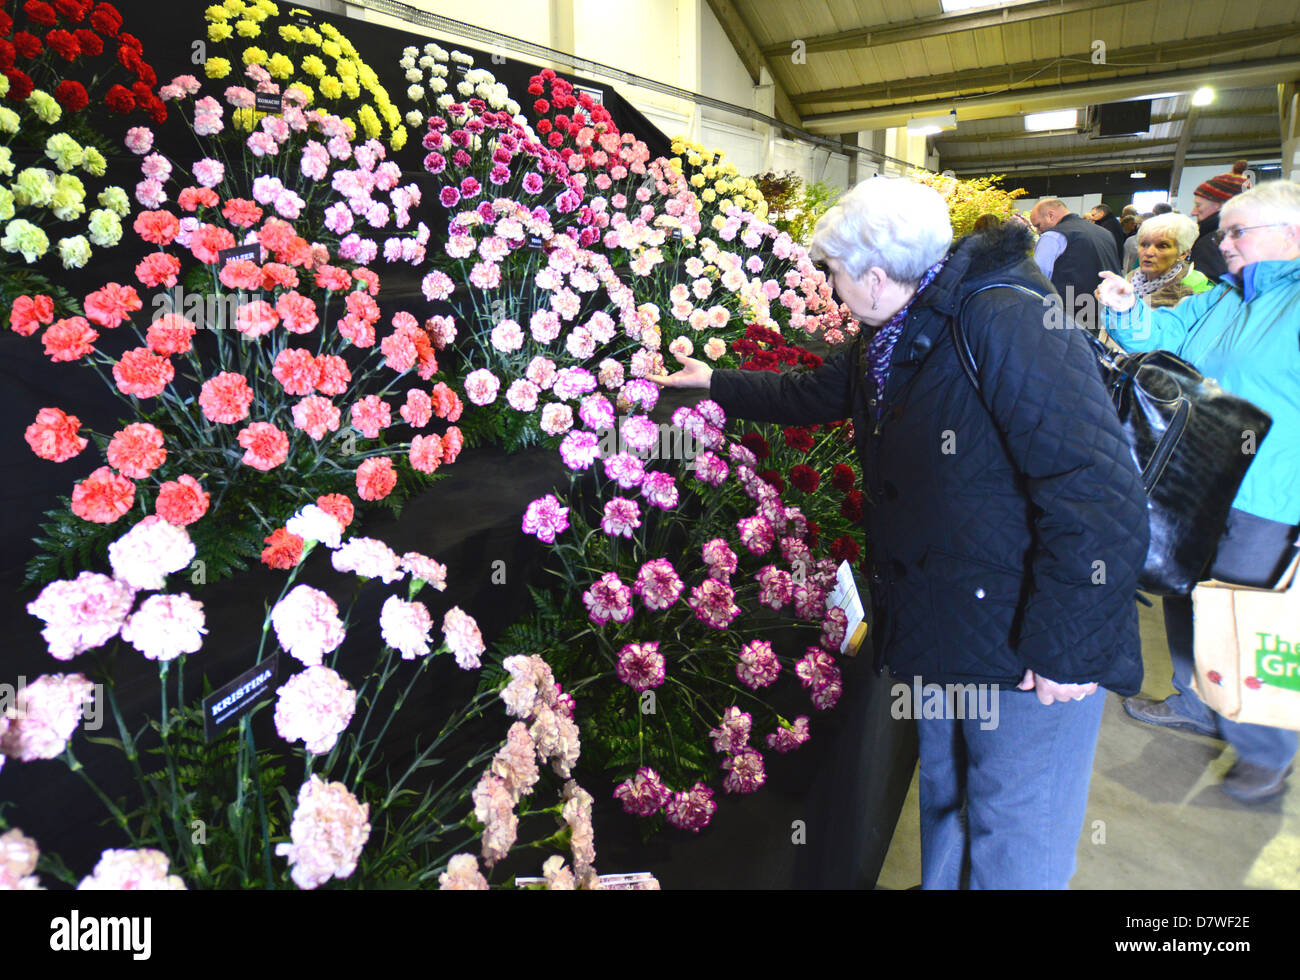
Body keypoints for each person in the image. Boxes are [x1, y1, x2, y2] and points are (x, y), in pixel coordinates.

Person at [650, 177, 1149, 889]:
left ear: (876, 275)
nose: (829, 286)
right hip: (955, 627)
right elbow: (819, 391)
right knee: (950, 797)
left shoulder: (1006, 319)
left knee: (1017, 830)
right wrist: (717, 384)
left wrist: (1070, 647)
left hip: (1029, 644)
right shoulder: (901, 324)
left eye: (834, 273)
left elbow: (1097, 488)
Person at [1097, 179, 1300, 802]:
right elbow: (1152, 343)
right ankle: (1196, 700)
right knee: (1187, 594)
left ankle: (1267, 747)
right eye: (1223, 232)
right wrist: (1125, 302)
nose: (1224, 242)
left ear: (1291, 236)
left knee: (1251, 621)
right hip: (1203, 484)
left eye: (1238, 231)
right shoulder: (1222, 298)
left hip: (1271, 495)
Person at [1029, 198, 1121, 331]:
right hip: (1107, 317)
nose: (1038, 231)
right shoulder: (1105, 233)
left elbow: (1038, 280)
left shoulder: (1052, 236)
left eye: (1038, 225)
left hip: (1068, 320)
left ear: (1050, 215)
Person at [1124, 212, 1212, 308]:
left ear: (1182, 254)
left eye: (1162, 246)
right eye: (1144, 244)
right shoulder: (1128, 280)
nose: (1149, 253)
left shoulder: (1196, 295)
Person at [1188, 160, 1251, 285]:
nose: (1193, 212)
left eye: (1198, 205)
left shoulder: (1210, 243)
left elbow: (1205, 292)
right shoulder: (1252, 237)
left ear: (1222, 206)